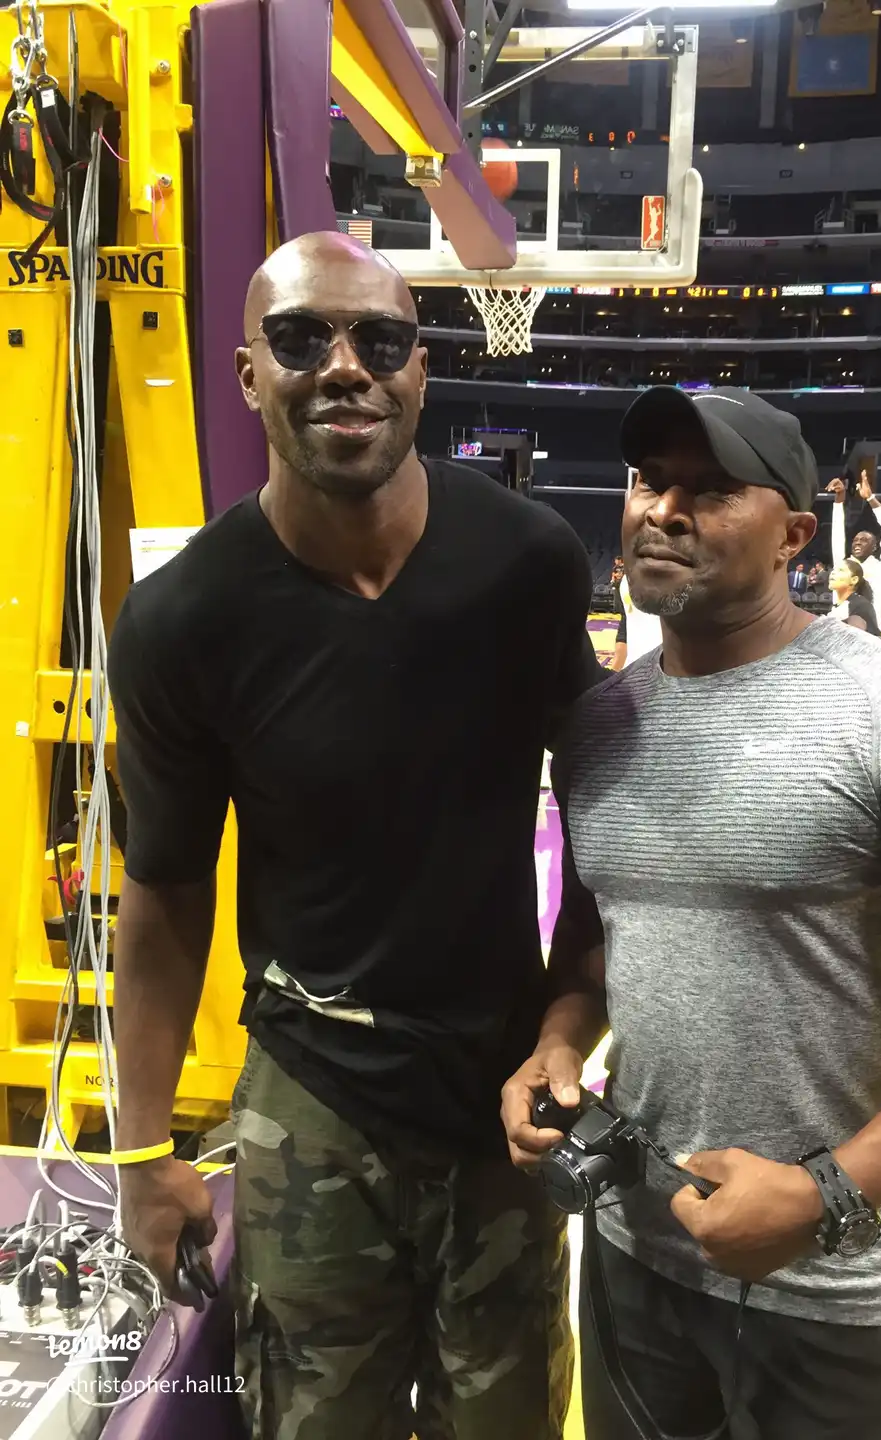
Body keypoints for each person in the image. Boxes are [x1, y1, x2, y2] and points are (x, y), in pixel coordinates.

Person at [500, 383, 881, 1440]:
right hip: (637, 1262)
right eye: (649, 483)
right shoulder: (596, 727)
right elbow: (589, 956)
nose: (663, 510)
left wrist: (829, 1196)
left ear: (796, 537)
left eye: (711, 491)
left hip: (835, 1292)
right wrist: (556, 1044)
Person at [108, 232, 602, 1440]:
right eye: (300, 339)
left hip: (498, 1092)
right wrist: (139, 1155)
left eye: (378, 341)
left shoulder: (526, 565)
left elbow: (609, 822)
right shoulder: (184, 621)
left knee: (513, 1423)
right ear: (245, 376)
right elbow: (165, 902)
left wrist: (567, 1022)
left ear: (420, 374)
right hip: (311, 1085)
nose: (343, 368)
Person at [826, 470, 881, 635]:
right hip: (839, 627)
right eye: (856, 540)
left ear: (874, 547)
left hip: (873, 631)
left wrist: (871, 499)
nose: (858, 542)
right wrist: (839, 499)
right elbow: (836, 535)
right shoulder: (844, 565)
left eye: (864, 540)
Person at [611, 565, 663, 672]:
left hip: (664, 675)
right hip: (634, 672)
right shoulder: (625, 581)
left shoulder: (677, 578)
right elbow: (625, 625)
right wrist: (614, 674)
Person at [828, 557, 881, 636]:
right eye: (834, 569)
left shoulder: (862, 605)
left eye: (841, 570)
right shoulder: (838, 605)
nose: (833, 573)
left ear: (854, 580)